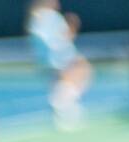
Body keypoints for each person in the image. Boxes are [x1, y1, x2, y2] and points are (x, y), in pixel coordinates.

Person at [24, 0, 92, 130]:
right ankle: (62, 108)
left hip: (54, 58)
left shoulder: (44, 17)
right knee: (80, 71)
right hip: (57, 58)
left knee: (63, 84)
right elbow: (54, 40)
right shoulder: (45, 17)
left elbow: (59, 38)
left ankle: (64, 108)